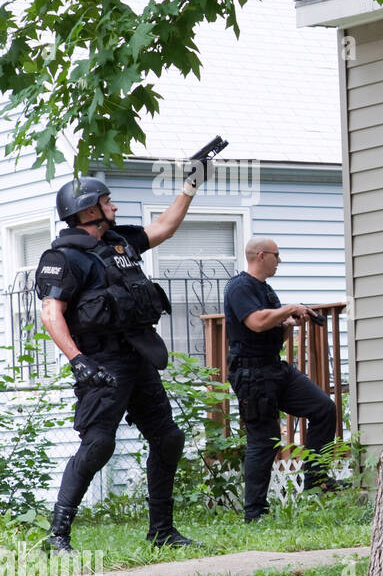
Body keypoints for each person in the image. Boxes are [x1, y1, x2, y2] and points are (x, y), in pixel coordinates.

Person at [35, 167, 211, 552]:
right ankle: (57, 535)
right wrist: (78, 360)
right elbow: (51, 313)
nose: (113, 207)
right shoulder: (64, 258)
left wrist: (190, 185)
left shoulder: (120, 243)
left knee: (168, 438)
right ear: (88, 211)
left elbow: (164, 227)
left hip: (138, 355)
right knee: (98, 444)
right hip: (101, 362)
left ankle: (162, 531)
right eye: (106, 201)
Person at [224, 238, 337, 523]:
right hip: (251, 374)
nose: (279, 261)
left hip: (275, 368)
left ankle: (316, 481)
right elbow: (257, 322)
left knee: (324, 408)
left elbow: (271, 330)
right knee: (264, 440)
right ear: (261, 255)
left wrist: (288, 324)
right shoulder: (240, 287)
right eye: (277, 255)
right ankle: (254, 513)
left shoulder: (265, 289)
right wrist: (288, 309)